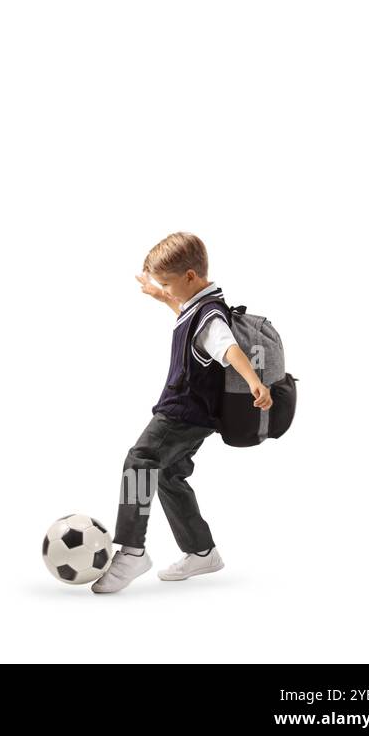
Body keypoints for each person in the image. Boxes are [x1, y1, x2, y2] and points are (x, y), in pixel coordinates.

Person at [91, 232, 272, 594]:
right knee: (169, 475)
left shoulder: (211, 316)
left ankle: (132, 550)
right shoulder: (202, 307)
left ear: (191, 277)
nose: (166, 289)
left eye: (168, 283)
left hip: (182, 412)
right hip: (195, 415)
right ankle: (201, 551)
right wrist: (163, 297)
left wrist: (254, 380)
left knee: (139, 460)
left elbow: (227, 348)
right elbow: (191, 321)